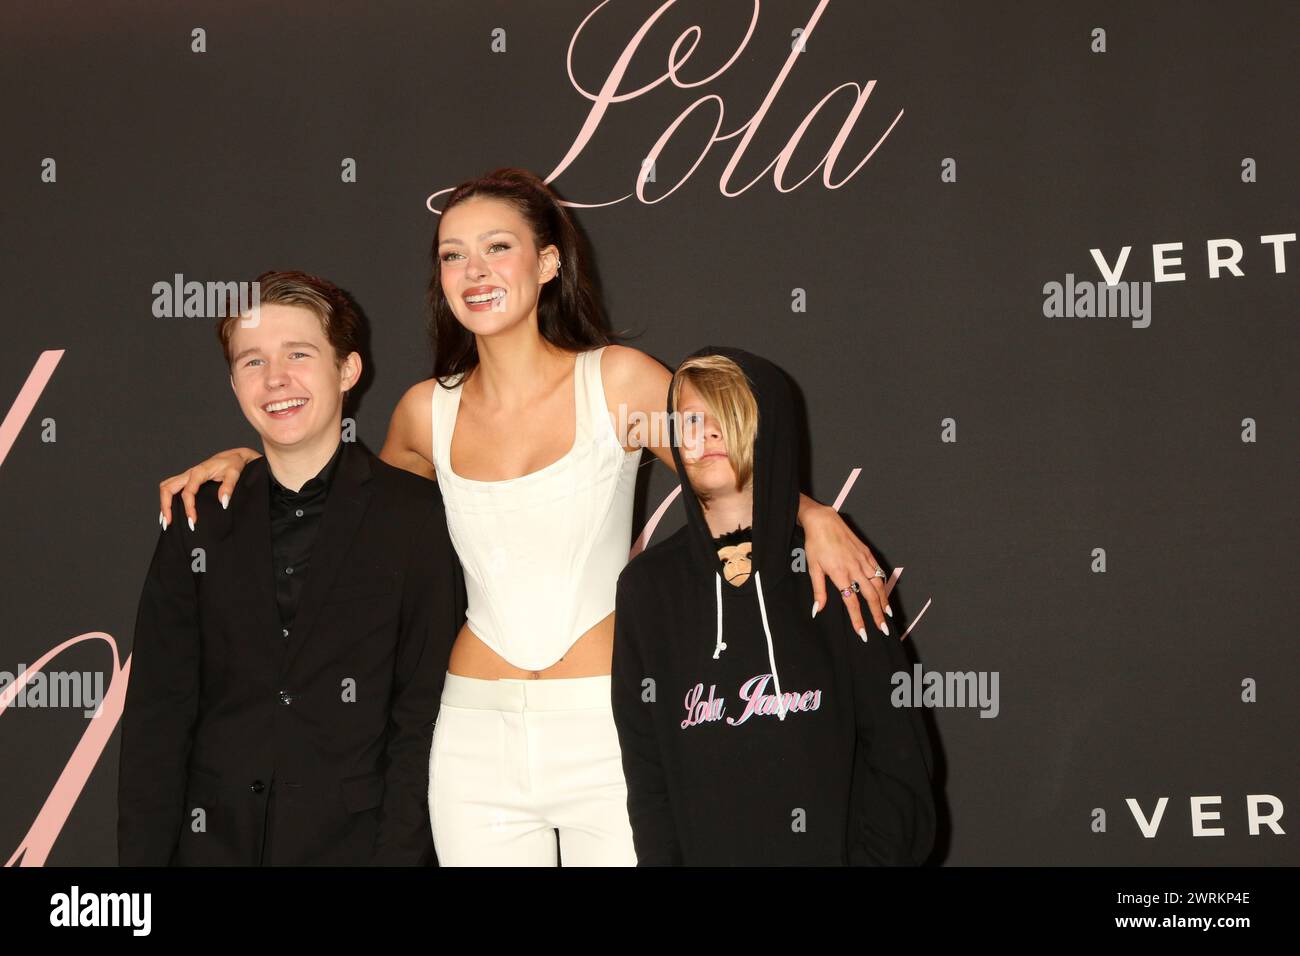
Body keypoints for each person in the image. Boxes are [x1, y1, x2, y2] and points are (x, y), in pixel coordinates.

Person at [152, 169, 896, 866]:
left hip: (608, 727)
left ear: (546, 264)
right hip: (473, 741)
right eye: (453, 255)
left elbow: (721, 463)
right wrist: (249, 463)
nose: (473, 272)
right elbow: (345, 499)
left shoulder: (615, 382)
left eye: (496, 248)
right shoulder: (425, 412)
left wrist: (811, 516)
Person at [118, 271, 463, 865]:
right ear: (233, 383)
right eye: (252, 362)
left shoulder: (415, 518)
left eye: (298, 354)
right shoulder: (196, 516)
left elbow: (421, 721)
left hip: (355, 848)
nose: (275, 378)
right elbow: (158, 717)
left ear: (347, 370)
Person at [611, 348, 936, 865]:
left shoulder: (835, 567)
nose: (708, 433)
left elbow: (898, 758)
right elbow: (647, 778)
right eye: (692, 418)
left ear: (771, 430)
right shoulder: (646, 590)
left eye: (729, 414)